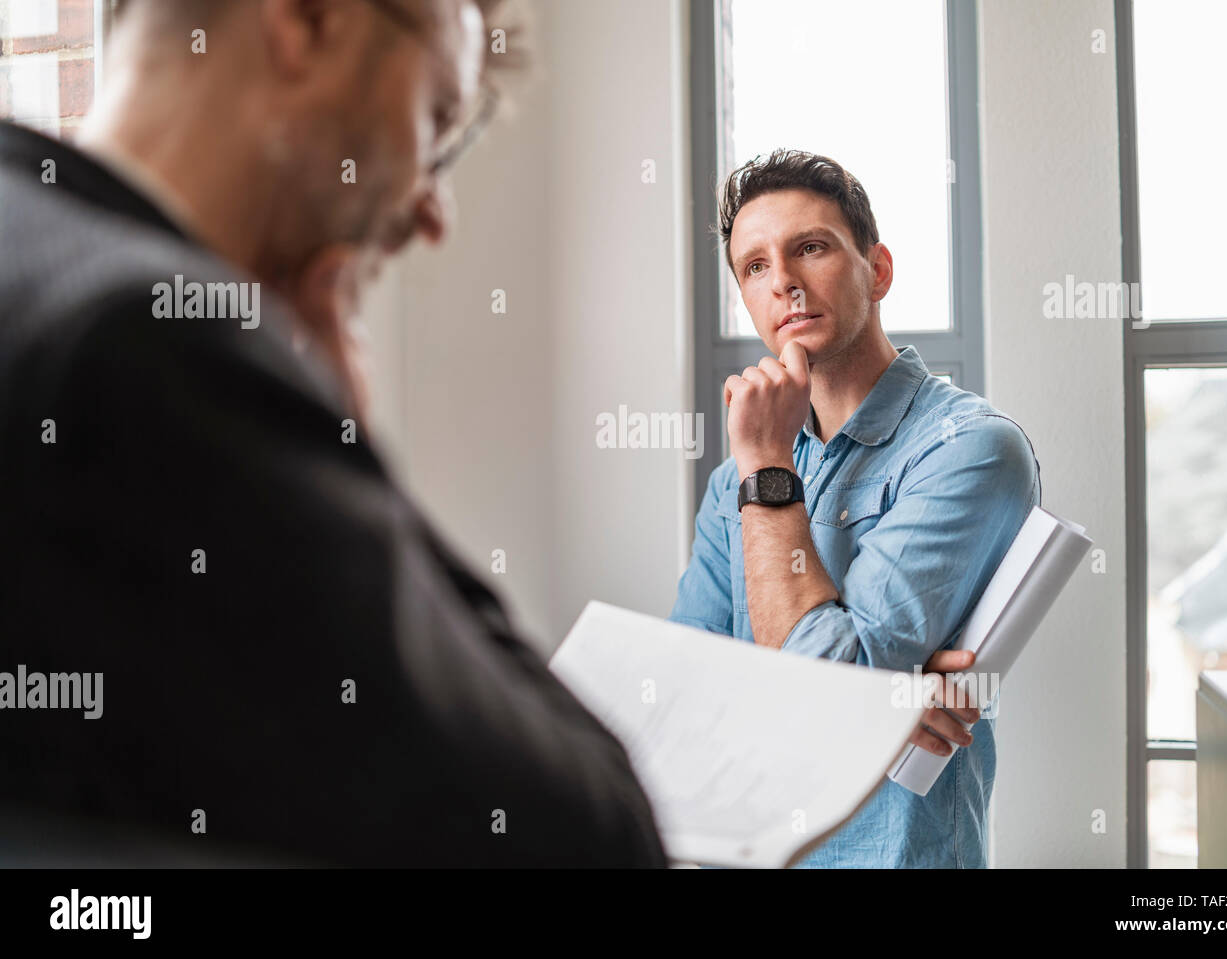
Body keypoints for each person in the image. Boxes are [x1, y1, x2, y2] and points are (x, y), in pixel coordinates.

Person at [0, 0, 665, 867]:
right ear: (307, 19)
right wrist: (349, 443)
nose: (434, 217)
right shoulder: (152, 353)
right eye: (433, 119)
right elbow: (593, 834)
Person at [670, 149, 1042, 868]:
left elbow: (828, 685)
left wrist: (769, 471)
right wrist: (871, 703)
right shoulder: (734, 482)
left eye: (810, 247)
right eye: (754, 266)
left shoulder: (972, 449)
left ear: (878, 270)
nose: (783, 281)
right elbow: (684, 697)